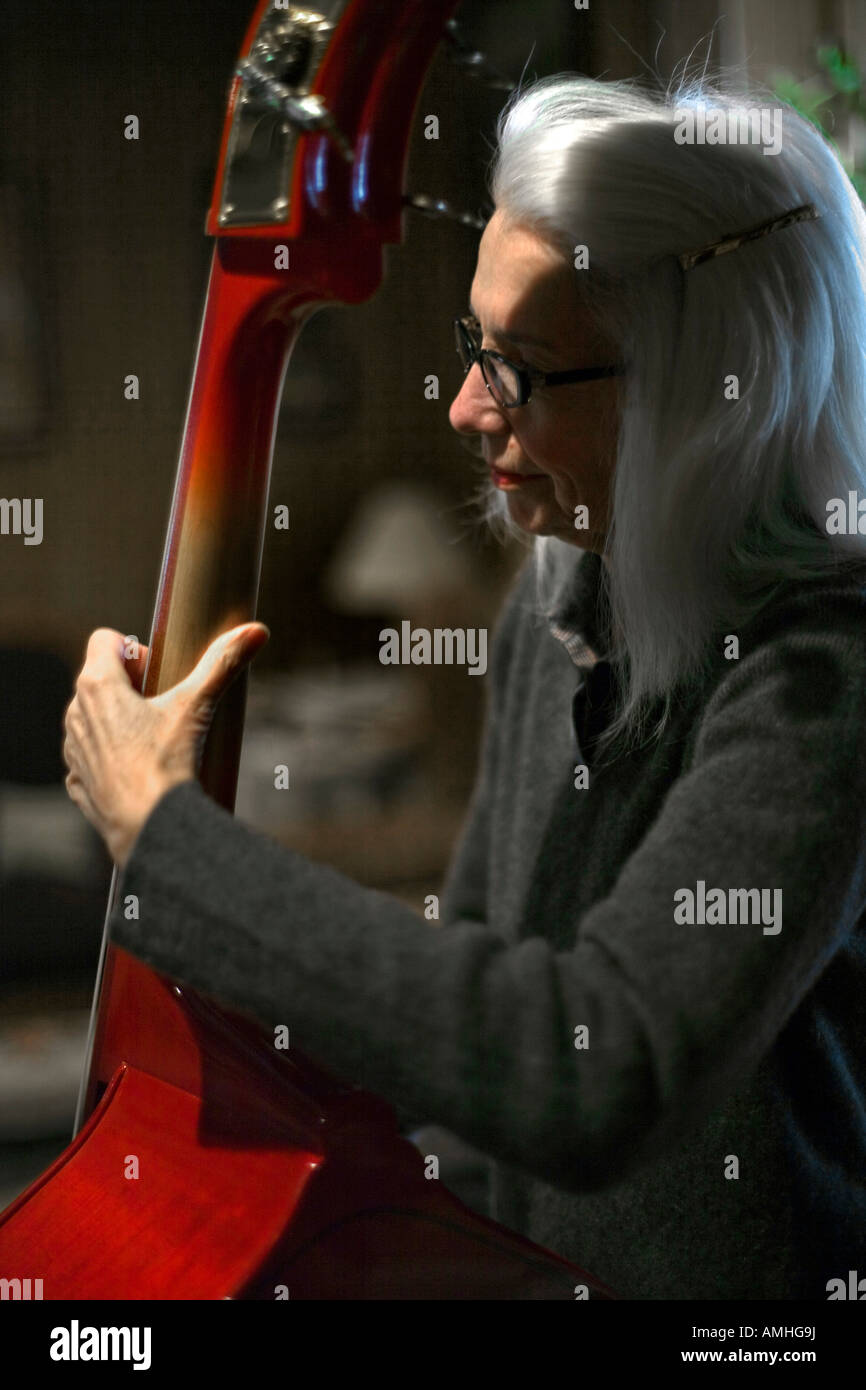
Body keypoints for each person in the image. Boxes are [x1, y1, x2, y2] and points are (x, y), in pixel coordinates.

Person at [62, 74, 866, 1300]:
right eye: (472, 346)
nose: (462, 406)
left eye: (524, 368)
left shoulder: (824, 676)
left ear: (706, 397)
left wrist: (166, 837)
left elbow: (592, 1067)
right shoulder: (557, 606)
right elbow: (486, 1004)